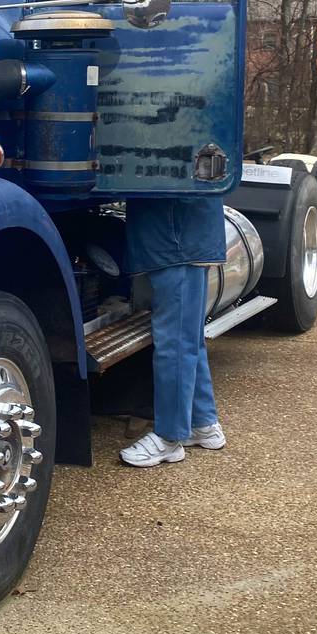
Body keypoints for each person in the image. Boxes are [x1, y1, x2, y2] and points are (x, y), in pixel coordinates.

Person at [119, 194, 228, 467]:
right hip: (182, 236)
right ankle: (202, 424)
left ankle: (169, 437)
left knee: (175, 342)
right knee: (188, 338)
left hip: (175, 240)